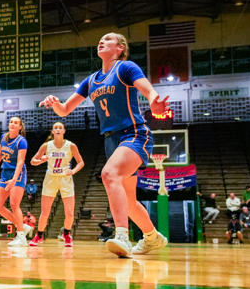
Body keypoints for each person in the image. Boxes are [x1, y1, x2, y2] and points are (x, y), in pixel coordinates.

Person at [40, 32, 170, 257]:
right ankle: (152, 238)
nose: (102, 41)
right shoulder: (91, 80)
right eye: (100, 38)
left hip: (134, 134)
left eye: (109, 39)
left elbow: (147, 89)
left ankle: (122, 236)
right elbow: (64, 110)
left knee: (109, 174)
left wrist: (154, 102)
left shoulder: (126, 68)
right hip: (111, 140)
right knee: (129, 202)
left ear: (120, 48)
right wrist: (55, 103)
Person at [28, 121, 85, 247]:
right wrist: (41, 160)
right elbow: (33, 161)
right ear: (53, 131)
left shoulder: (71, 145)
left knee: (69, 212)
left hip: (66, 179)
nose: (58, 129)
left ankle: (67, 234)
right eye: (55, 128)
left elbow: (81, 162)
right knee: (45, 212)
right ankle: (39, 235)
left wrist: (73, 171)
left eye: (60, 128)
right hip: (51, 178)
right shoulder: (46, 146)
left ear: (64, 131)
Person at [0, 116, 30, 247]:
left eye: (16, 123)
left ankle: (21, 236)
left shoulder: (21, 141)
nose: (13, 124)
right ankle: (22, 226)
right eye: (11, 122)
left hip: (17, 174)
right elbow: (0, 153)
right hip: (5, 173)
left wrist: (14, 180)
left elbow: (20, 162)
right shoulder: (3, 137)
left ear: (20, 127)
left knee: (14, 204)